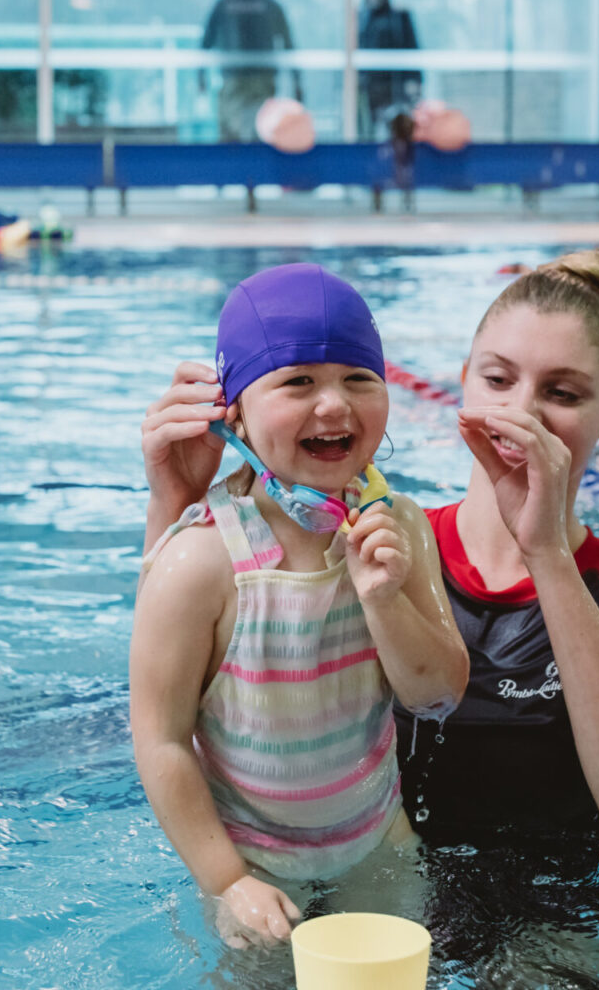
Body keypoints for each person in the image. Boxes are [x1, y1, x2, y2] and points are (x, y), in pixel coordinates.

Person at [139, 246, 599, 857]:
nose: (521, 411)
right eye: (497, 380)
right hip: (351, 882)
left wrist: (546, 554)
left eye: (563, 394)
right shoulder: (365, 541)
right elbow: (194, 702)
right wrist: (174, 501)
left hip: (559, 910)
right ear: (463, 380)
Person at [130, 263, 469, 950]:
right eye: (298, 382)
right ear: (233, 413)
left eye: (359, 378)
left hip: (377, 839)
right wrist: (228, 881)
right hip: (249, 857)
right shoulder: (201, 562)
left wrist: (384, 600)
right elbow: (159, 739)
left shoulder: (399, 525)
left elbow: (438, 694)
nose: (335, 405)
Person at [200, 0, 304, 143]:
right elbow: (288, 44)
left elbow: (205, 43)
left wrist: (200, 78)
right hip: (260, 81)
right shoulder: (270, 3)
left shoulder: (224, 2)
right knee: (260, 134)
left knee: (232, 136)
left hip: (235, 81)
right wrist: (297, 82)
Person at [357, 0, 422, 140]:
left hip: (394, 86)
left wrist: (413, 82)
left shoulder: (399, 17)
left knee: (396, 131)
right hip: (370, 87)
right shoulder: (362, 18)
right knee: (368, 131)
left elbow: (411, 49)